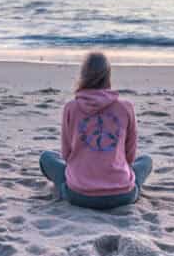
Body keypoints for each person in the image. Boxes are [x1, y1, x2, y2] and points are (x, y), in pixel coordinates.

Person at [39, 52, 153, 210]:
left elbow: (66, 155)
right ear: (108, 76)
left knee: (47, 158)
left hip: (79, 195)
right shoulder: (126, 107)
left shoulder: (71, 108)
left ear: (83, 75)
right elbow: (130, 157)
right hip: (123, 195)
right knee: (146, 161)